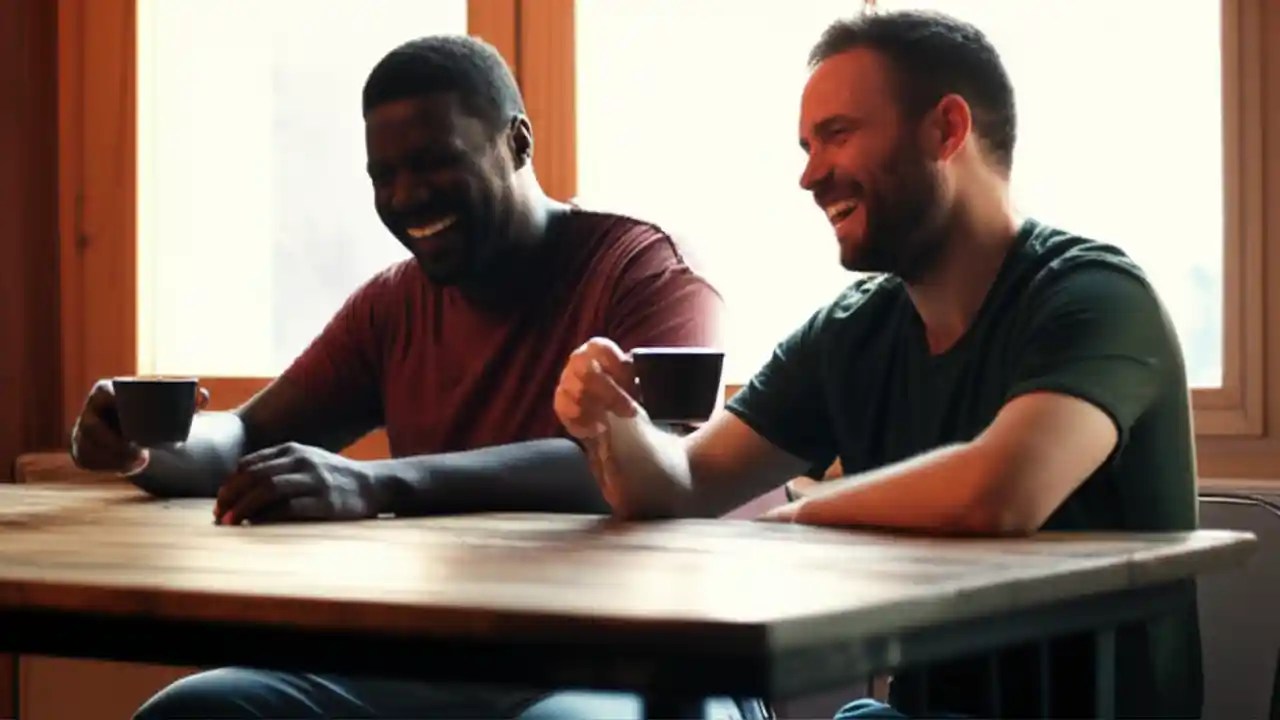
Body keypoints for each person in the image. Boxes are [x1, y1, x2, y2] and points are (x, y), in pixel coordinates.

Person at [69, 35, 747, 720]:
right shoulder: (394, 304)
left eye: (434, 163)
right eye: (382, 176)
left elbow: (643, 465)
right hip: (452, 656)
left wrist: (378, 483)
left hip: (653, 658)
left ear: (518, 142)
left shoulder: (645, 272)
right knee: (194, 712)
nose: (406, 196)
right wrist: (148, 445)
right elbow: (249, 433)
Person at [556, 10, 1201, 720]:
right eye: (806, 145)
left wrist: (798, 521)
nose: (808, 175)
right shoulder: (853, 329)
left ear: (947, 130)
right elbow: (682, 486)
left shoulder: (1096, 296)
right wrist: (615, 424)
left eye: (837, 134)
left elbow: (1003, 490)